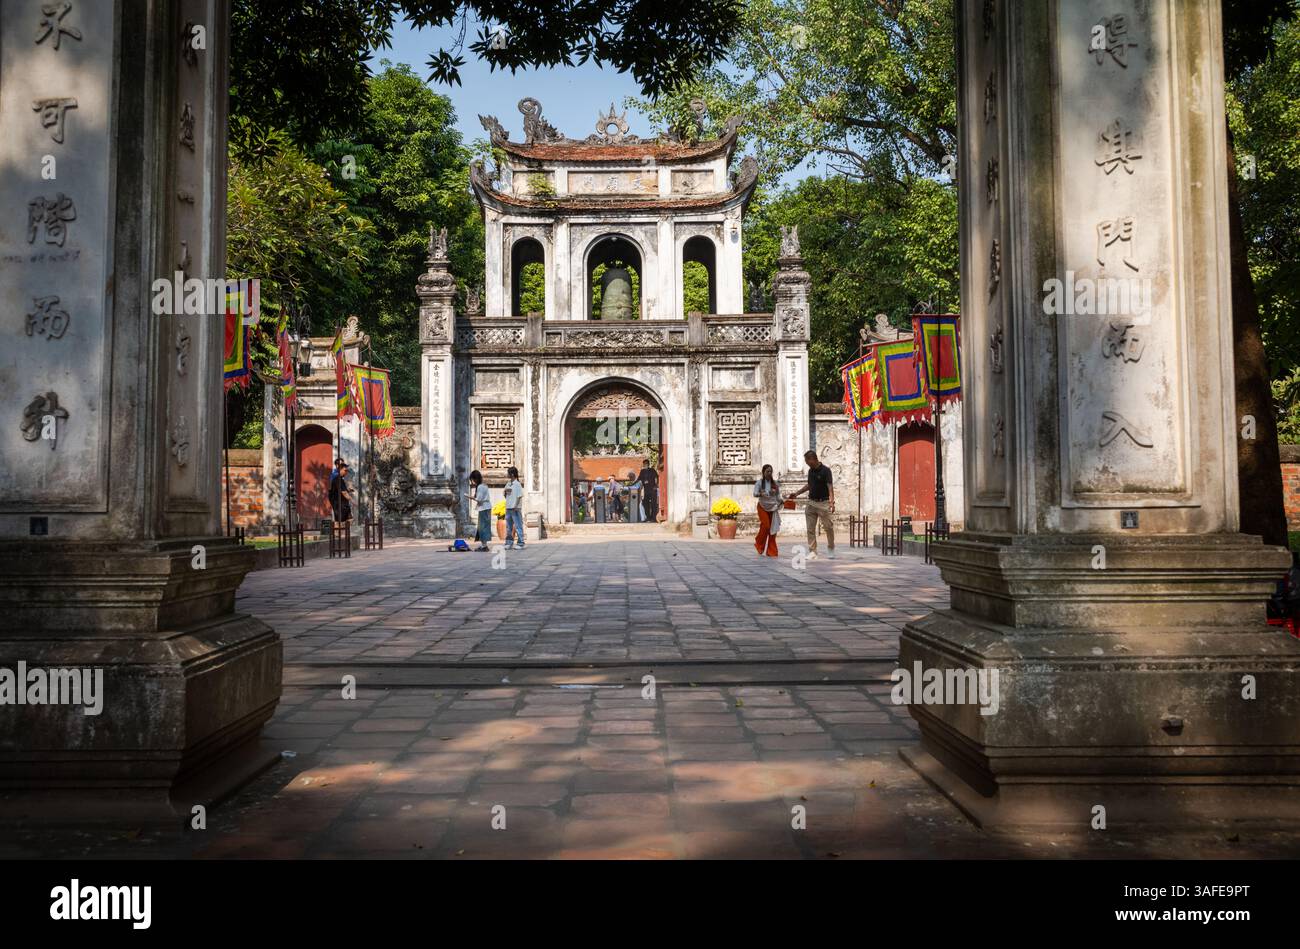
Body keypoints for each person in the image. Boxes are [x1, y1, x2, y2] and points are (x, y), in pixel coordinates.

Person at [786, 449, 835, 559]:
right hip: (811, 502)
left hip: (824, 502)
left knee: (828, 527)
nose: (807, 463)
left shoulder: (826, 471)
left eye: (807, 461)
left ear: (812, 459)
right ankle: (813, 551)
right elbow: (809, 485)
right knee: (810, 529)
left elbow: (830, 487)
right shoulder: (810, 471)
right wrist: (797, 493)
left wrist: (831, 502)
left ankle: (831, 547)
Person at [753, 463, 782, 558]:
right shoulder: (759, 483)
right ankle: (759, 544)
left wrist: (781, 501)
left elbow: (778, 496)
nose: (769, 473)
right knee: (766, 526)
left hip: (773, 507)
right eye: (767, 471)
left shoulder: (775, 484)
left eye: (771, 471)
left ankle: (771, 551)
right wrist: (761, 494)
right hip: (762, 506)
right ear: (763, 472)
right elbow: (755, 494)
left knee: (772, 529)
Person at [466, 469, 492, 551]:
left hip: (484, 508)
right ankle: (484, 545)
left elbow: (479, 499)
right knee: (484, 527)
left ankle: (484, 546)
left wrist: (470, 497)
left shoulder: (480, 487)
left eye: (472, 480)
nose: (472, 482)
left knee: (482, 528)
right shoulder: (484, 485)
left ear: (475, 479)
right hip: (486, 507)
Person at [503, 466, 525, 549]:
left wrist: (516, 506)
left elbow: (519, 496)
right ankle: (509, 542)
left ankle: (520, 543)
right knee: (508, 526)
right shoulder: (508, 483)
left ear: (512, 474)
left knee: (518, 525)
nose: (507, 474)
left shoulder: (517, 484)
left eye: (508, 473)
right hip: (508, 507)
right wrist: (505, 492)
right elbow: (505, 493)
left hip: (515, 508)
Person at [328, 461, 353, 526]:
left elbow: (341, 490)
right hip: (339, 503)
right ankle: (337, 534)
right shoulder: (338, 479)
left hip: (341, 503)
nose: (346, 472)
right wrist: (352, 500)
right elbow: (343, 492)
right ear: (340, 470)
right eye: (345, 470)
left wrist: (348, 490)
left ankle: (343, 534)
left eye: (347, 471)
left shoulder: (340, 479)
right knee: (339, 521)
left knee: (349, 519)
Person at [637, 458, 660, 523]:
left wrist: (656, 485)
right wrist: (632, 485)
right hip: (646, 490)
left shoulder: (652, 470)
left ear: (648, 464)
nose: (645, 465)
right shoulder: (642, 471)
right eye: (644, 464)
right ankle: (648, 517)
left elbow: (657, 477)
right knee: (645, 503)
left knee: (653, 504)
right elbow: (639, 479)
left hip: (653, 489)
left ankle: (654, 517)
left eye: (646, 464)